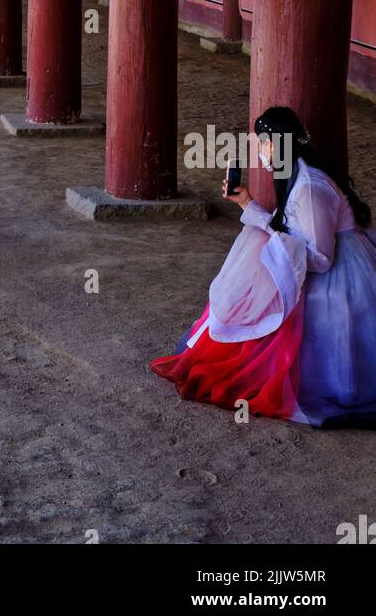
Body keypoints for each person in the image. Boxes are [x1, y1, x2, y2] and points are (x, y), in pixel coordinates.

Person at [150, 106, 376, 427]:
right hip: (321, 260)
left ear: (279, 143)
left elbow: (322, 259)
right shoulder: (294, 174)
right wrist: (248, 206)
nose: (260, 150)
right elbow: (293, 234)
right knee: (256, 242)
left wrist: (268, 237)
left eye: (263, 142)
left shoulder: (310, 187)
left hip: (340, 274)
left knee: (261, 253)